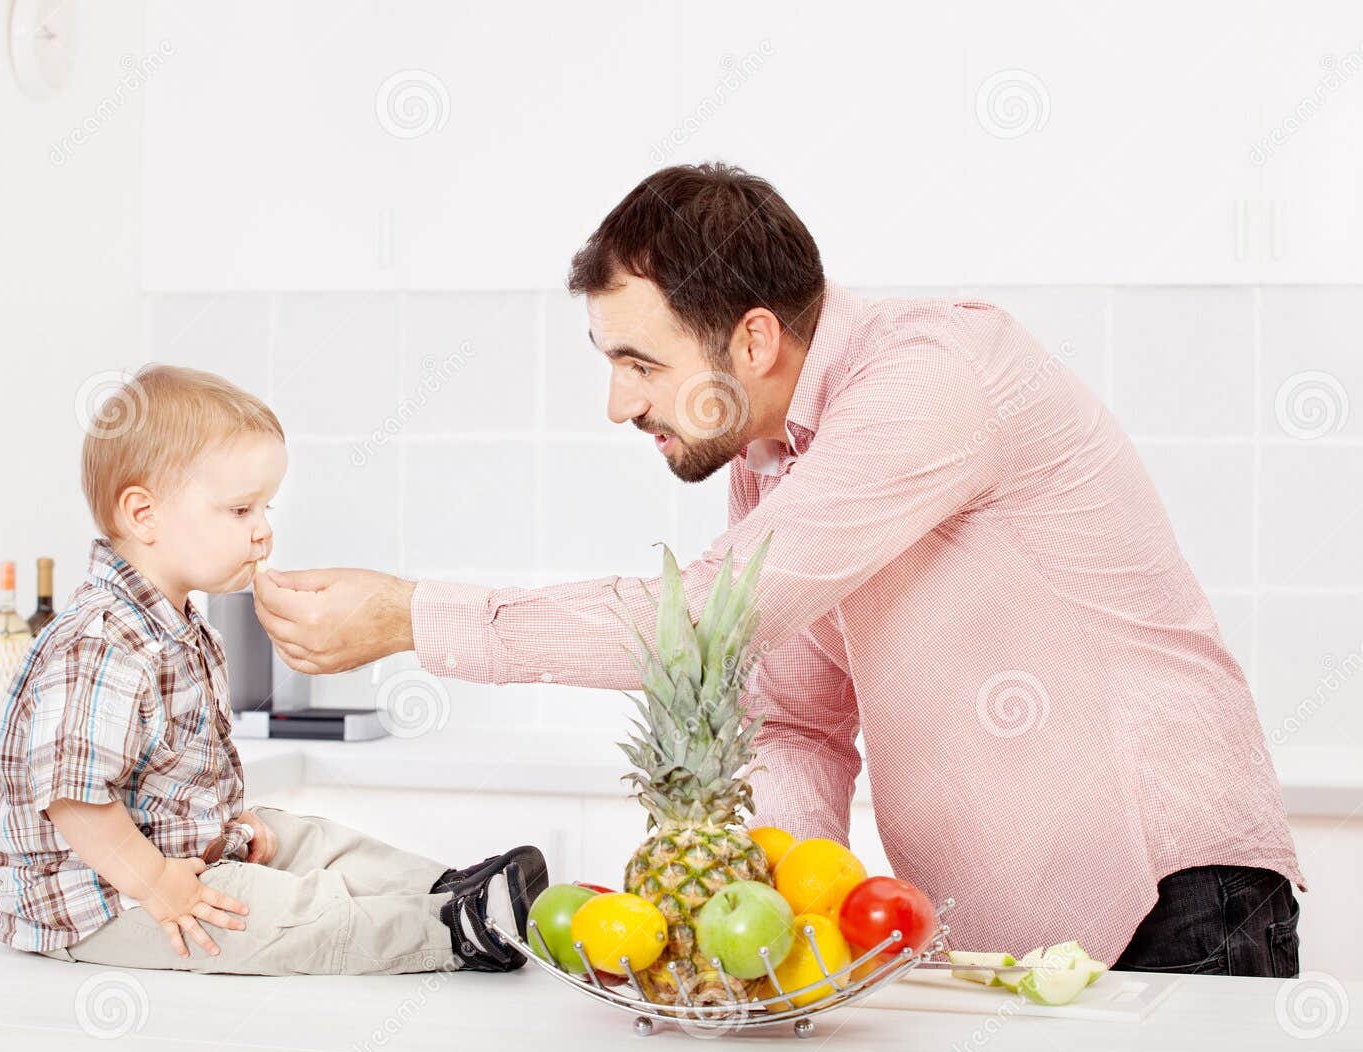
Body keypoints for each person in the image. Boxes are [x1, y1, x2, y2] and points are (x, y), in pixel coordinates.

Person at [252, 164, 1303, 976]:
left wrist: (414, 617)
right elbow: (796, 722)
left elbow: (706, 617)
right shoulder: (771, 460)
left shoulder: (929, 376)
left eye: (639, 362)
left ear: (753, 340)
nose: (619, 404)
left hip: (1174, 891)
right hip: (999, 942)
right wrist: (765, 935)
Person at [0, 364, 546, 975]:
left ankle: (449, 889)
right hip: (106, 900)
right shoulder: (100, 639)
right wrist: (159, 884)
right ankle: (447, 931)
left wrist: (223, 828)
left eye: (265, 508)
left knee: (307, 840)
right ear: (144, 515)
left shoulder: (179, 628)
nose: (264, 533)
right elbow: (73, 800)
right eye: (240, 510)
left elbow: (167, 782)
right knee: (273, 913)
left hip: (171, 860)